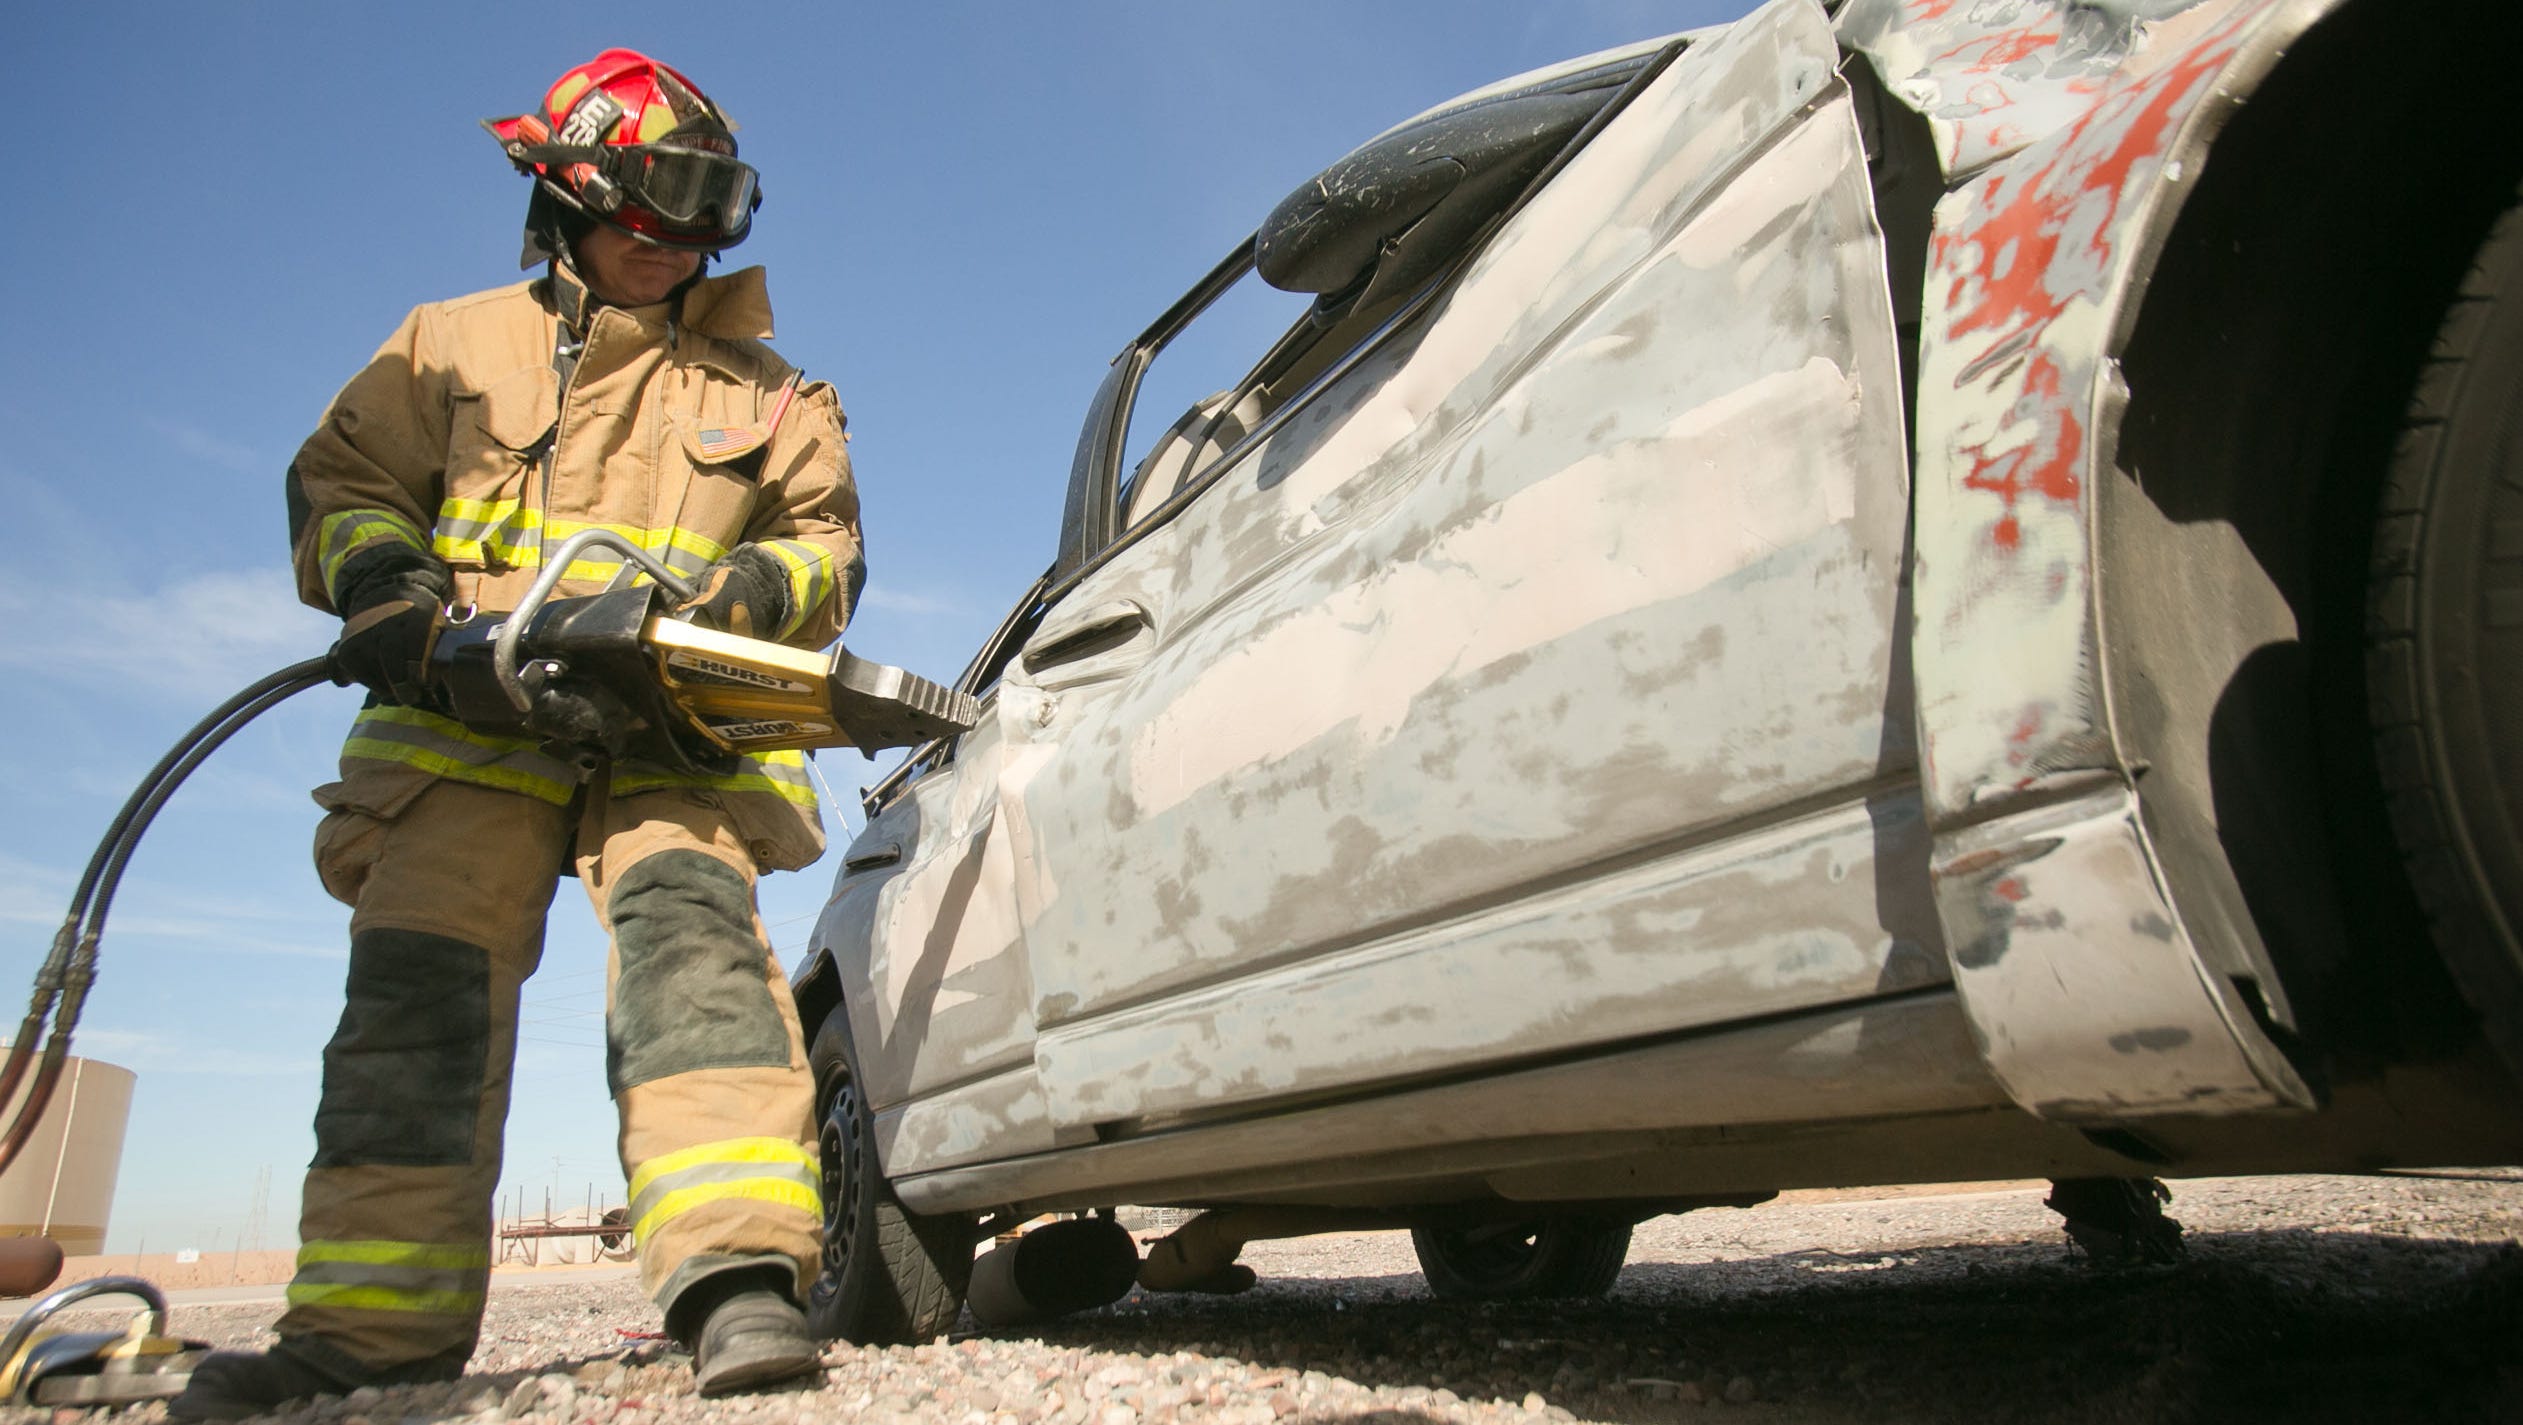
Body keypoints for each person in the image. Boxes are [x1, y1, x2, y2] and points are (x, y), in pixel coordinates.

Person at [173, 48, 861, 1419]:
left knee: (695, 962)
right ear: (561, 195)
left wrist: (734, 595)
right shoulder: (443, 345)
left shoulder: (774, 392)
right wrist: (386, 588)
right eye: (640, 215)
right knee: (414, 1012)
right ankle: (368, 1334)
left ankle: (738, 1289)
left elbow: (823, 549)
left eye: (700, 221)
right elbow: (346, 486)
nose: (669, 249)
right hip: (462, 728)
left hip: (674, 729)